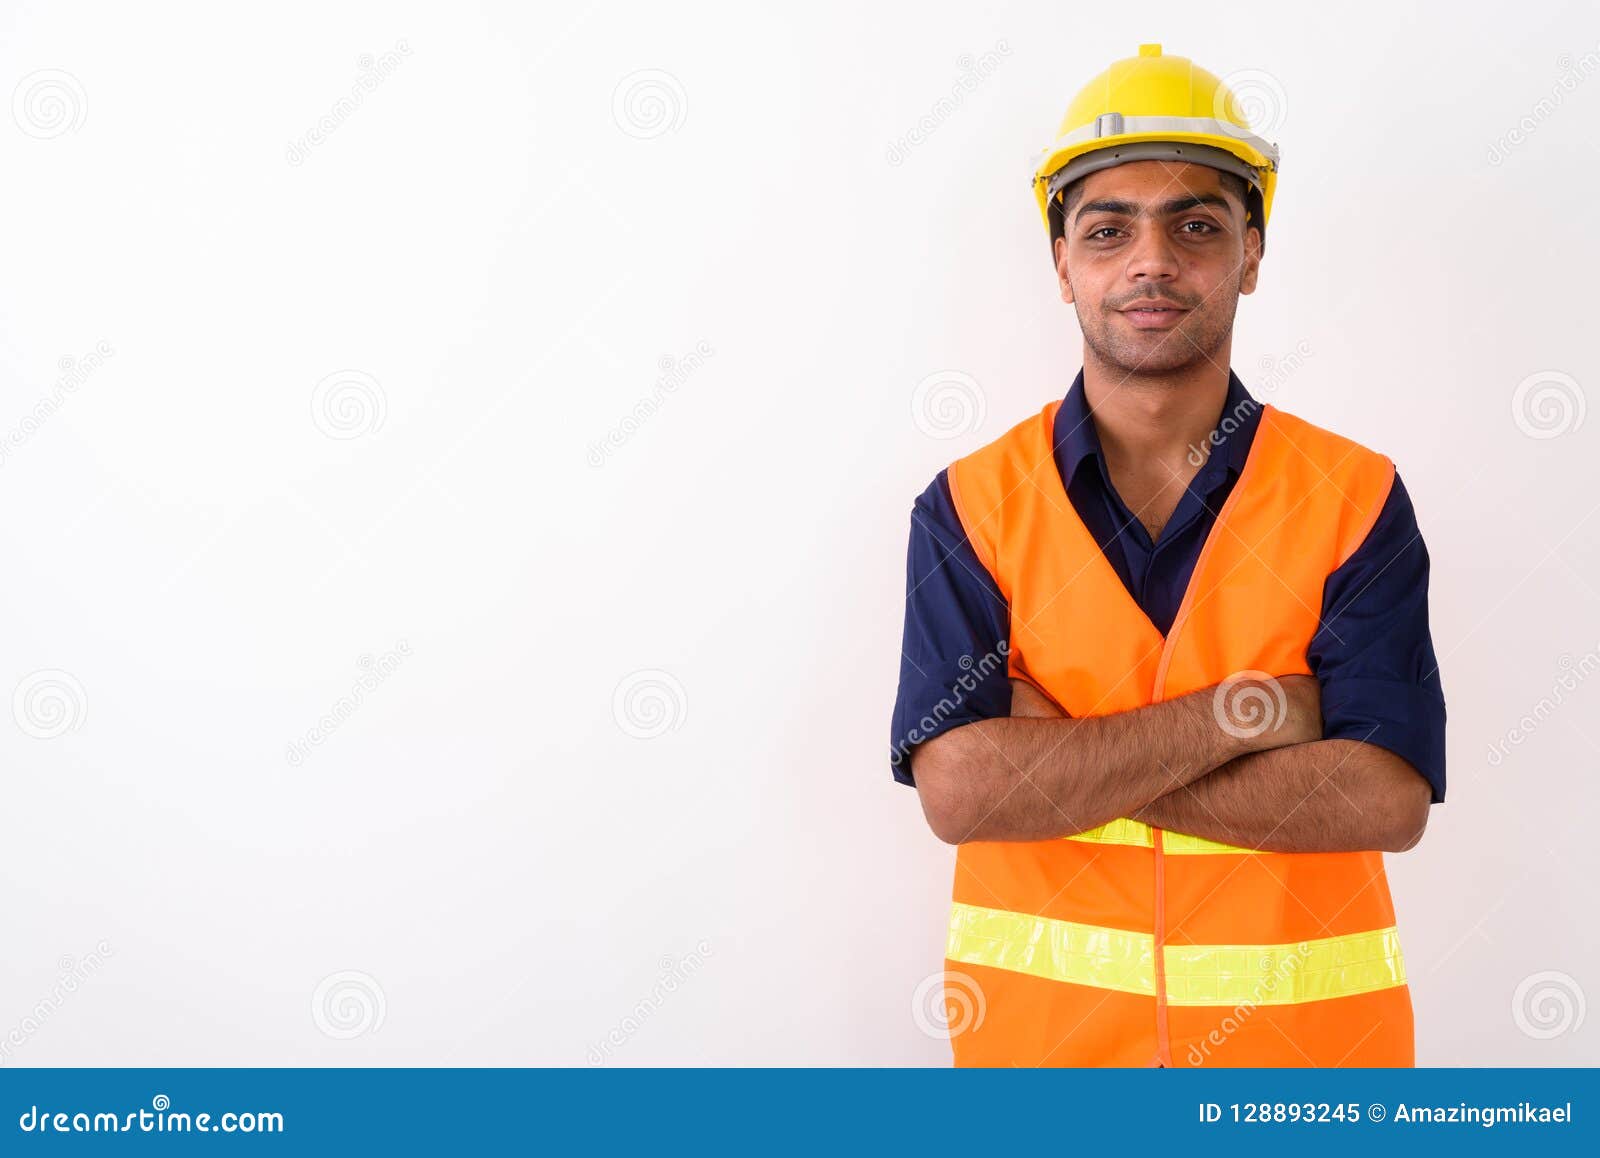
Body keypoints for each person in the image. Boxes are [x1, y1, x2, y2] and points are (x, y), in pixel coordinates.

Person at [889, 44, 1446, 1067]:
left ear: (1250, 255)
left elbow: (1385, 798)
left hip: (1306, 1074)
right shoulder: (970, 506)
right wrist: (1255, 713)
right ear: (1063, 264)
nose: (1152, 259)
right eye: (1108, 229)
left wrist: (1058, 761)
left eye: (1195, 224)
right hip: (1044, 1075)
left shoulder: (1353, 496)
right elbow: (958, 795)